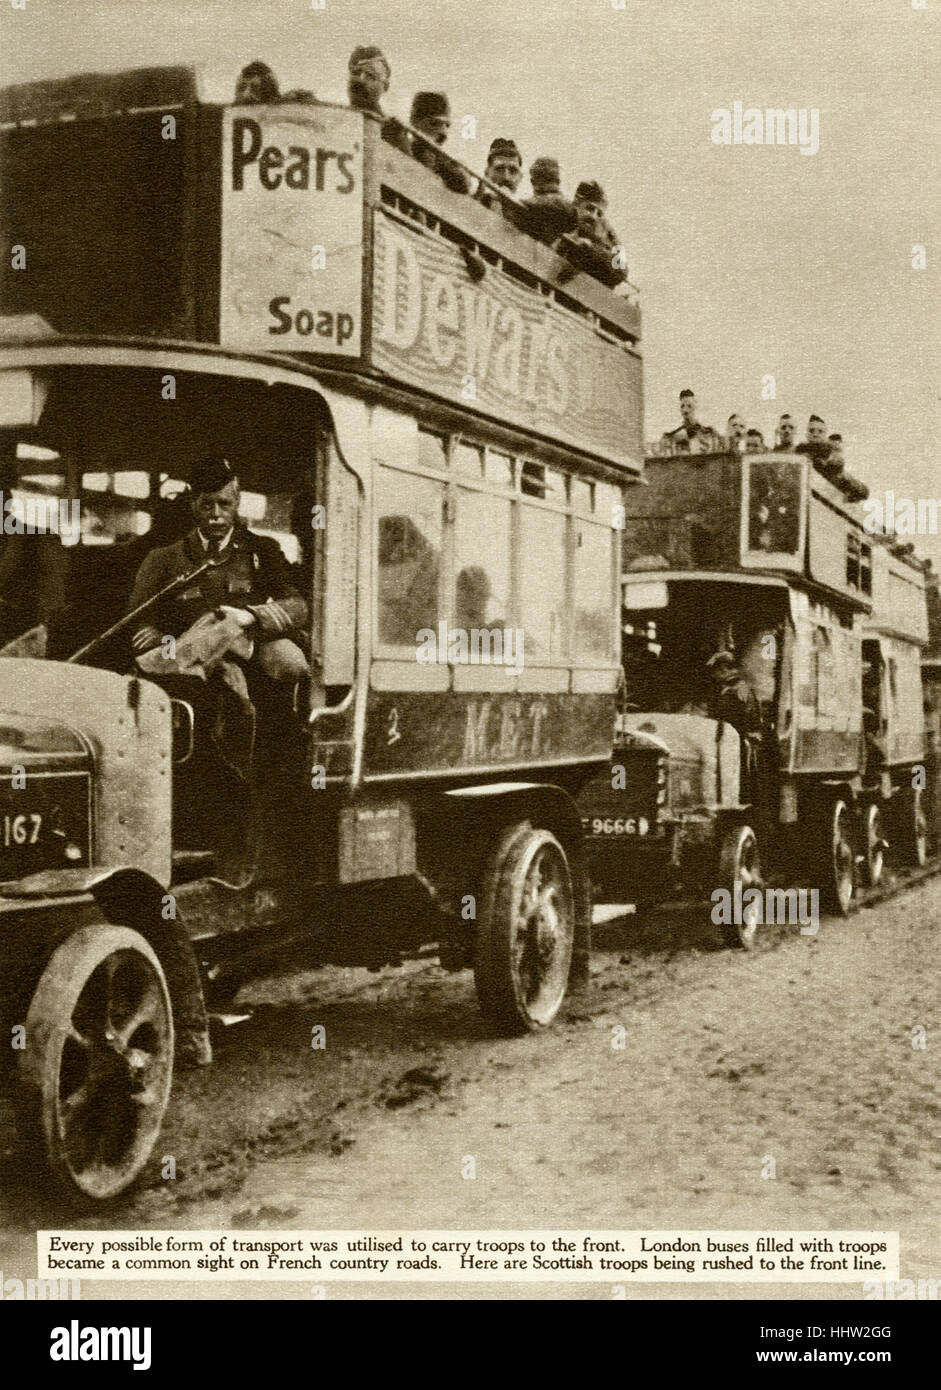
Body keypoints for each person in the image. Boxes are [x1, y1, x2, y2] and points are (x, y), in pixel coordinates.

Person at [128, 455, 309, 721]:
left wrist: (251, 616)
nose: (215, 515)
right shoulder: (163, 557)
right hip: (186, 646)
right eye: (207, 505)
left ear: (237, 504)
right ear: (193, 506)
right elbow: (139, 617)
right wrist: (157, 635)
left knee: (290, 663)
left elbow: (297, 605)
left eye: (224, 504)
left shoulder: (262, 550)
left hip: (248, 648)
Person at [558, 180, 626, 288]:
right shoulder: (561, 215)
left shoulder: (607, 233)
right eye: (590, 208)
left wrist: (592, 248)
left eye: (599, 213)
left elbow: (622, 270)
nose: (593, 217)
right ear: (576, 202)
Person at [347, 45, 410, 153]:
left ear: (385, 86)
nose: (360, 80)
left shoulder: (393, 131)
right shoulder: (336, 118)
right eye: (355, 73)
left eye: (370, 76)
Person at [408, 92, 472, 193]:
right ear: (414, 122)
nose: (443, 132)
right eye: (434, 123)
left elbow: (464, 186)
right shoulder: (404, 148)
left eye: (447, 125)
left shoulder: (444, 163)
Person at [518, 157, 578, 244]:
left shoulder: (564, 205)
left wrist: (525, 203)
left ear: (558, 181)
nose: (545, 185)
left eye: (550, 179)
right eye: (543, 178)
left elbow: (556, 203)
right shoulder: (535, 204)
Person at [659, 390, 724, 455]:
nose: (685, 410)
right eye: (682, 406)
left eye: (689, 406)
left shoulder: (710, 432)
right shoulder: (671, 436)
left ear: (696, 406)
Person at [476, 137, 523, 212]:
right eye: (499, 169)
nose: (506, 177)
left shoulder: (524, 216)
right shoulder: (469, 203)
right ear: (487, 173)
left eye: (513, 171)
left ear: (520, 177)